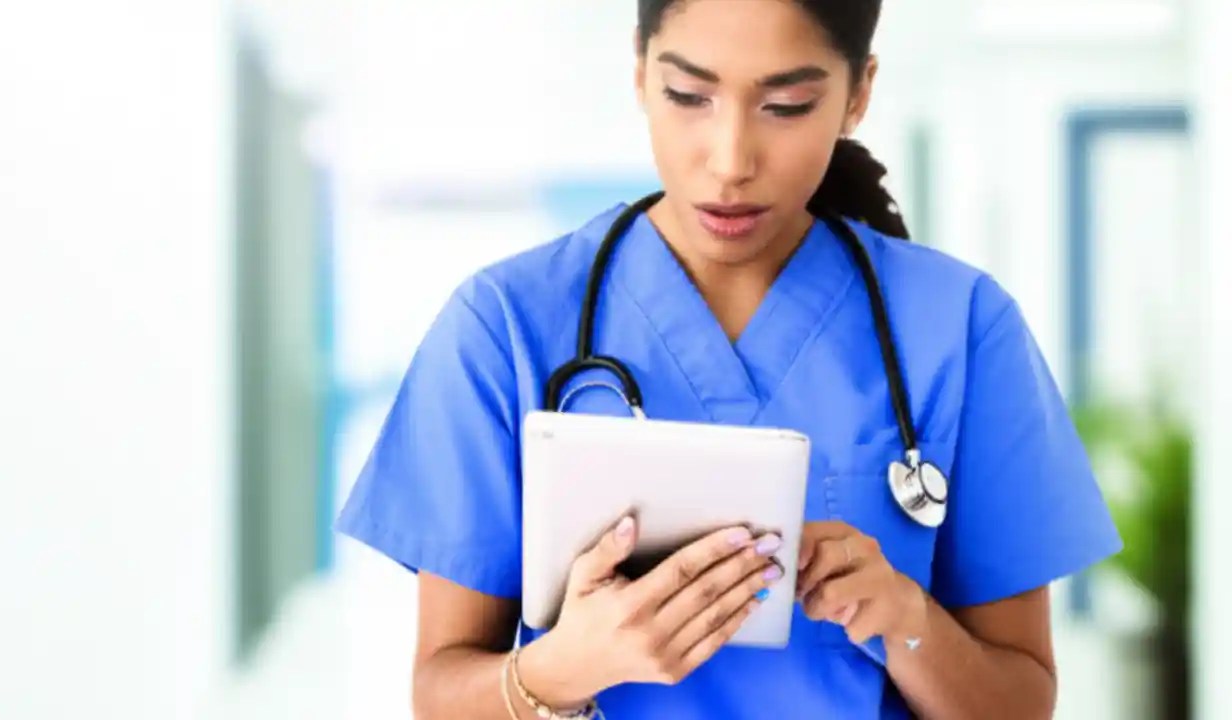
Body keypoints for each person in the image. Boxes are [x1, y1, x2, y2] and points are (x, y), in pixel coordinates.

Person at [335, 0, 1122, 717]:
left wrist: (905, 622)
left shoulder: (959, 327)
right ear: (640, 72)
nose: (731, 159)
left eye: (787, 105)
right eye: (688, 96)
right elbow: (440, 692)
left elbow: (1021, 701)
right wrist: (563, 669)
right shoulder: (503, 326)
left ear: (858, 94)